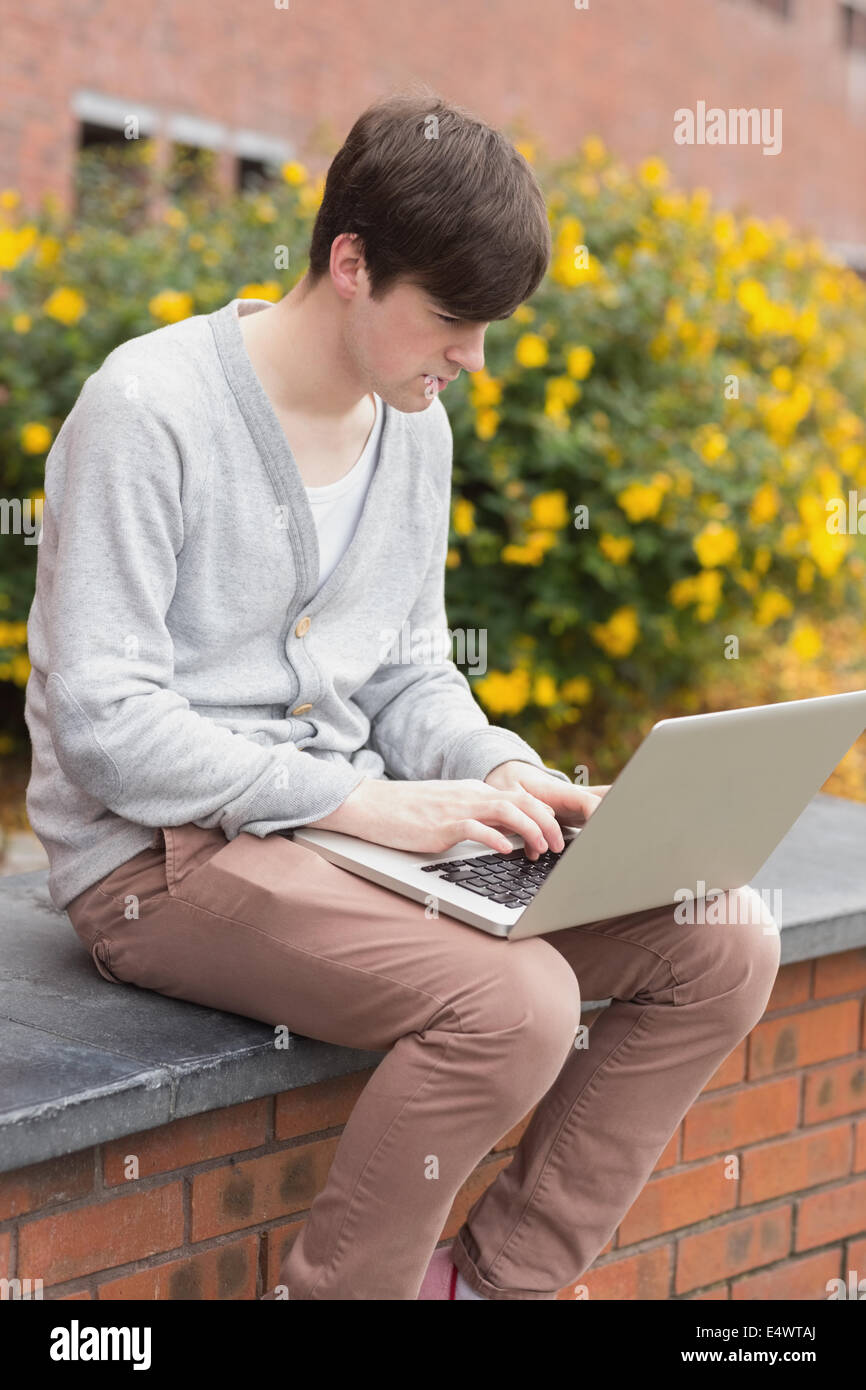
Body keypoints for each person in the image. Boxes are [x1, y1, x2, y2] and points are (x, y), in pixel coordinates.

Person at [24, 85, 781, 1300]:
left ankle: (488, 1287)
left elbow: (407, 668)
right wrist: (365, 808)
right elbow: (106, 730)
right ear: (348, 262)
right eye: (449, 321)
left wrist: (497, 770)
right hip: (156, 860)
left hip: (334, 846)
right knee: (516, 1005)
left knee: (720, 933)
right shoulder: (148, 409)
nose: (469, 361)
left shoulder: (409, 427)